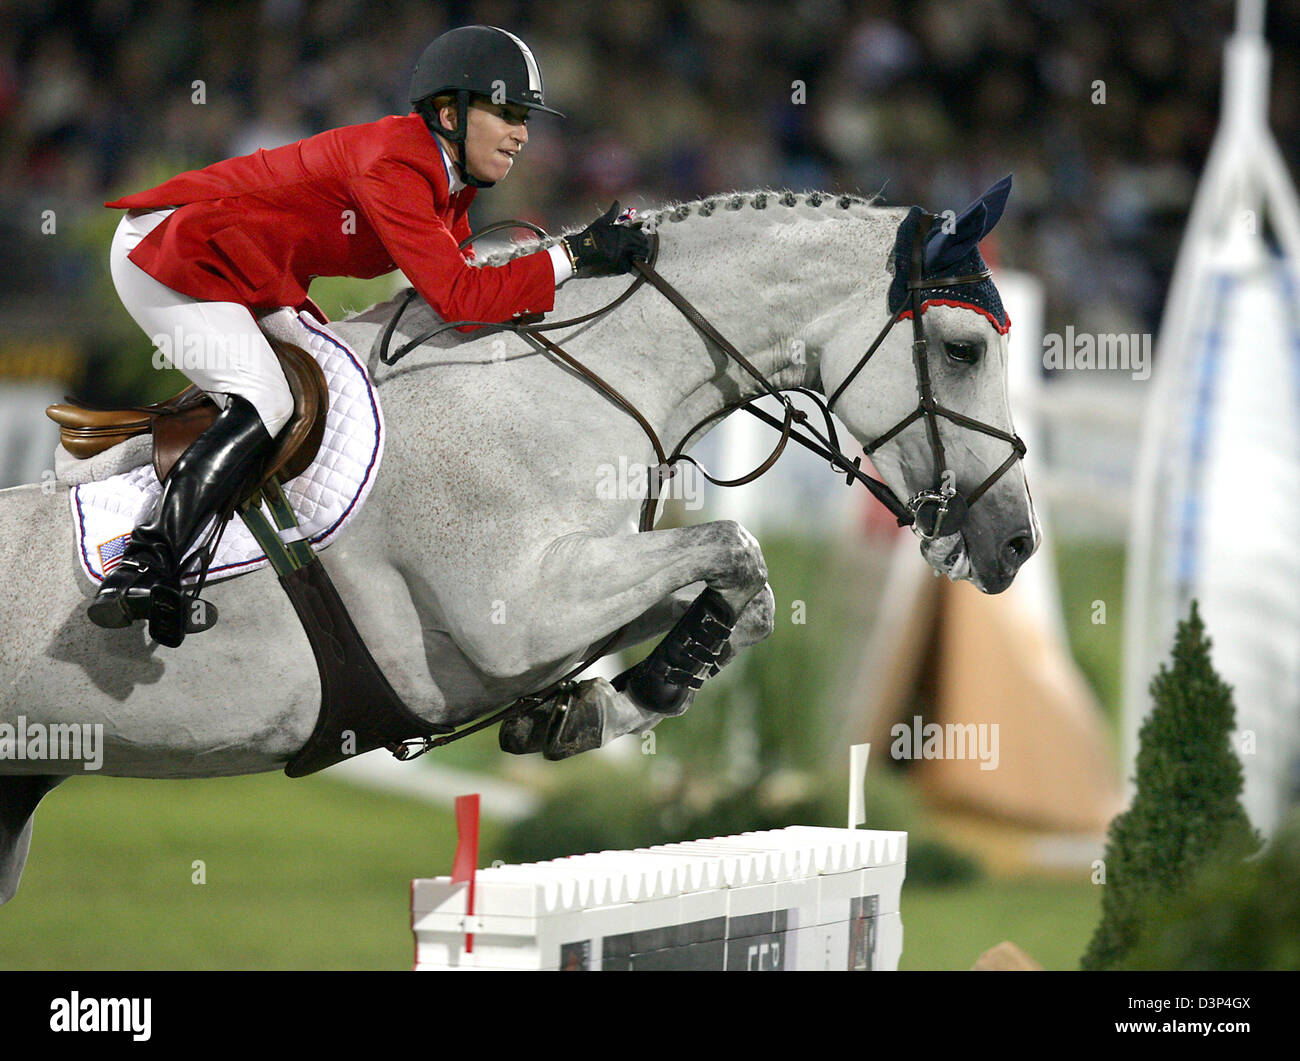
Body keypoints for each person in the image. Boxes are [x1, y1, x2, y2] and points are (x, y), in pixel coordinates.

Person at [88, 24, 650, 646]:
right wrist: (574, 254)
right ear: (448, 113)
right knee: (269, 400)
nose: (522, 134)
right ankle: (143, 562)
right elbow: (463, 303)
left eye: (526, 118)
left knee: (328, 385)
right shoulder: (396, 163)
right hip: (173, 248)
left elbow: (472, 297)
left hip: (245, 267)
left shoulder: (448, 186)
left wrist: (576, 260)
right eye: (508, 113)